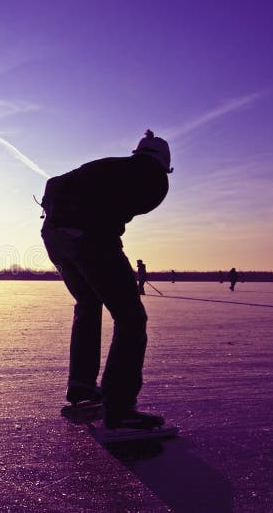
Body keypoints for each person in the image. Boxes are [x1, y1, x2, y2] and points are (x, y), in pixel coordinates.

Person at [41, 129, 172, 430]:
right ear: (163, 162)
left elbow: (61, 186)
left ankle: (83, 386)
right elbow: (117, 212)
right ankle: (120, 407)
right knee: (131, 318)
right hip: (89, 238)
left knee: (88, 303)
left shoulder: (110, 165)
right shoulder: (152, 177)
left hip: (54, 236)